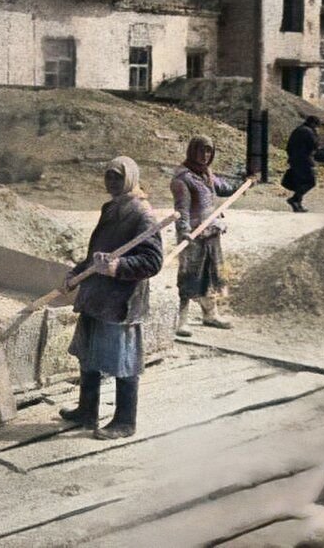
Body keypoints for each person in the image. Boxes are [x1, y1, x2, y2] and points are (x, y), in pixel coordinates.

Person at [58, 156, 164, 440]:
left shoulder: (142, 214)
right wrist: (77, 272)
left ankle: (124, 421)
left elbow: (152, 261)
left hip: (121, 300)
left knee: (123, 362)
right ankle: (87, 411)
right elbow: (98, 252)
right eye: (108, 176)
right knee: (89, 356)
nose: (112, 181)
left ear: (130, 178)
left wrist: (118, 267)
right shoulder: (112, 208)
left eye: (118, 176)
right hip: (97, 296)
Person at [170, 135, 242, 337]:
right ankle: (181, 321)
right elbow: (181, 209)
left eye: (209, 151)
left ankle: (210, 315)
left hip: (211, 232)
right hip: (192, 235)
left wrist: (246, 182)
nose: (205, 155)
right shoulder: (182, 178)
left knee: (210, 275)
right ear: (192, 151)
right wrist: (184, 231)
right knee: (189, 277)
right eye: (201, 150)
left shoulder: (207, 175)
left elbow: (226, 188)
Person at [282, 115, 322, 213]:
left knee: (301, 182)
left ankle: (297, 204)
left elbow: (288, 147)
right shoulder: (308, 132)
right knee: (310, 182)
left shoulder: (298, 130)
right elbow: (315, 145)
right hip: (304, 161)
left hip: (295, 160)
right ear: (313, 124)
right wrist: (316, 135)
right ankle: (294, 199)